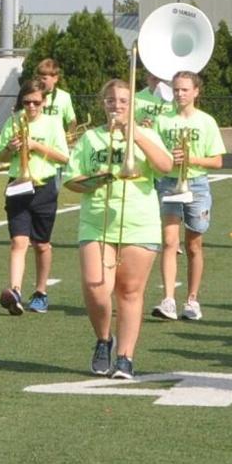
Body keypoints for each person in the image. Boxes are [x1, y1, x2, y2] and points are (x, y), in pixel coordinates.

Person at [66, 79, 176, 379]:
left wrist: (135, 135)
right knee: (96, 287)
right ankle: (103, 339)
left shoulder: (147, 134)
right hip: (97, 221)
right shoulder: (90, 138)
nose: (117, 105)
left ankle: (125, 357)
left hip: (139, 222)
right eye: (111, 100)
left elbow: (165, 166)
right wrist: (94, 180)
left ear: (133, 105)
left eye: (124, 101)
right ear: (103, 104)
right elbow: (72, 179)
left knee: (129, 291)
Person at [152, 71, 226, 322]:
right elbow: (154, 154)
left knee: (194, 244)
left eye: (185, 89)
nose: (180, 94)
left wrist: (190, 158)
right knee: (169, 241)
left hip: (196, 184)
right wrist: (167, 159)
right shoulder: (163, 120)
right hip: (168, 182)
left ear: (196, 91)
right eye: (176, 89)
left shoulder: (206, 121)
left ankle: (192, 300)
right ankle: (168, 299)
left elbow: (217, 161)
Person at [0, 78, 69, 315]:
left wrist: (36, 146)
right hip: (18, 186)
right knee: (18, 242)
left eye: (36, 102)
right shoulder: (13, 121)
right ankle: (15, 291)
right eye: (26, 102)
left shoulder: (52, 124)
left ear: (44, 102)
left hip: (44, 187)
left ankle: (40, 292)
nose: (31, 107)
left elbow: (64, 157)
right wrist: (10, 149)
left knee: (42, 245)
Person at [35, 58, 78, 139]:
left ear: (55, 79)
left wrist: (70, 136)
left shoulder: (64, 97)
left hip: (56, 141)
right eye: (38, 78)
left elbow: (72, 121)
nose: (41, 81)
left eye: (44, 78)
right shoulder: (33, 96)